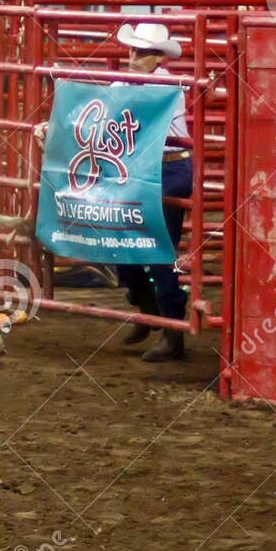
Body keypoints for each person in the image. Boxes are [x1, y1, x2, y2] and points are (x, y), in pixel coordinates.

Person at [113, 22, 194, 363]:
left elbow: (125, 112)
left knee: (158, 248)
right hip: (140, 167)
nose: (134, 57)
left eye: (143, 52)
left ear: (158, 57)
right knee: (116, 238)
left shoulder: (168, 85)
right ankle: (148, 310)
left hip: (170, 168)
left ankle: (171, 330)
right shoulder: (123, 84)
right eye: (132, 50)